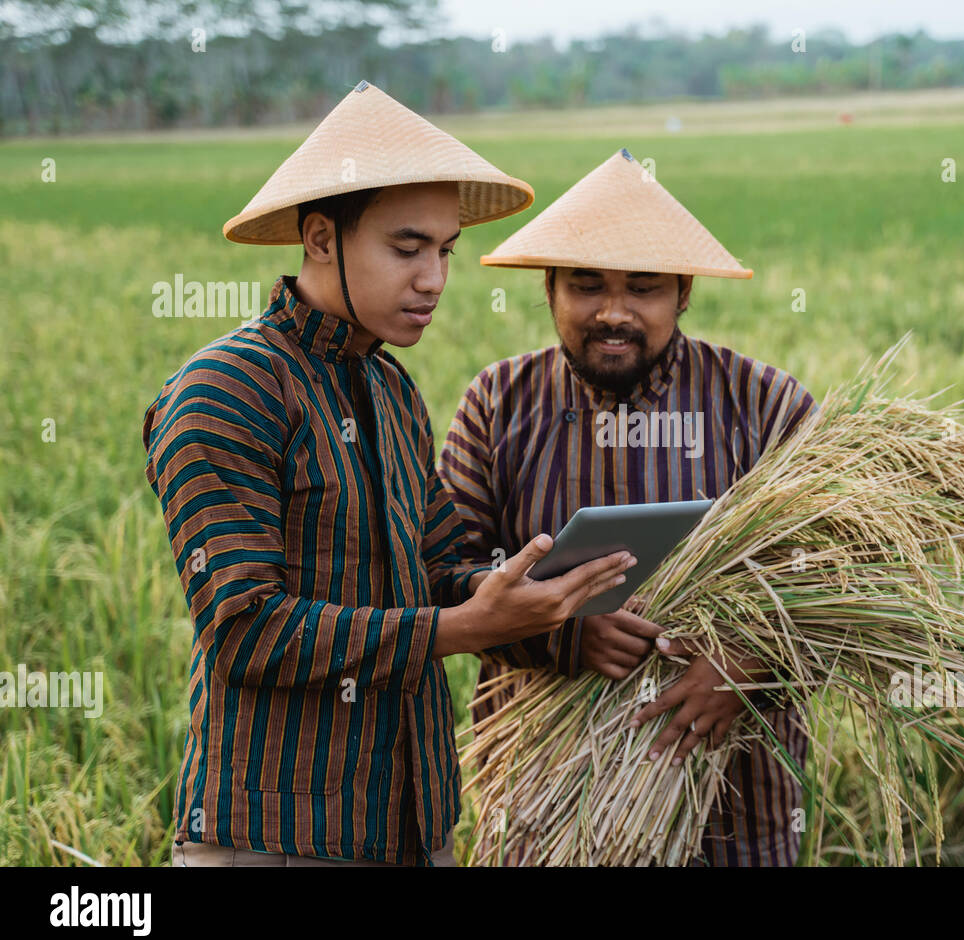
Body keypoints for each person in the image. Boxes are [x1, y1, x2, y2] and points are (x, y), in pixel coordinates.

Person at [145, 82, 634, 868]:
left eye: (444, 251)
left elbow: (442, 563)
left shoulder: (389, 387)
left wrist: (541, 605)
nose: (434, 278)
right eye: (407, 248)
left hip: (415, 819)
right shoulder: (227, 390)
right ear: (318, 237)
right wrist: (460, 630)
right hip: (278, 834)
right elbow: (244, 628)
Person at [439, 148, 816, 866]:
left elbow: (847, 578)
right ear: (549, 290)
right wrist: (559, 631)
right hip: (541, 799)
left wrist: (748, 664)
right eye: (587, 287)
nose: (614, 313)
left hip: (733, 803)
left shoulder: (765, 405)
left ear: (682, 292)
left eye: (642, 288)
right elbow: (445, 574)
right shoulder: (496, 404)